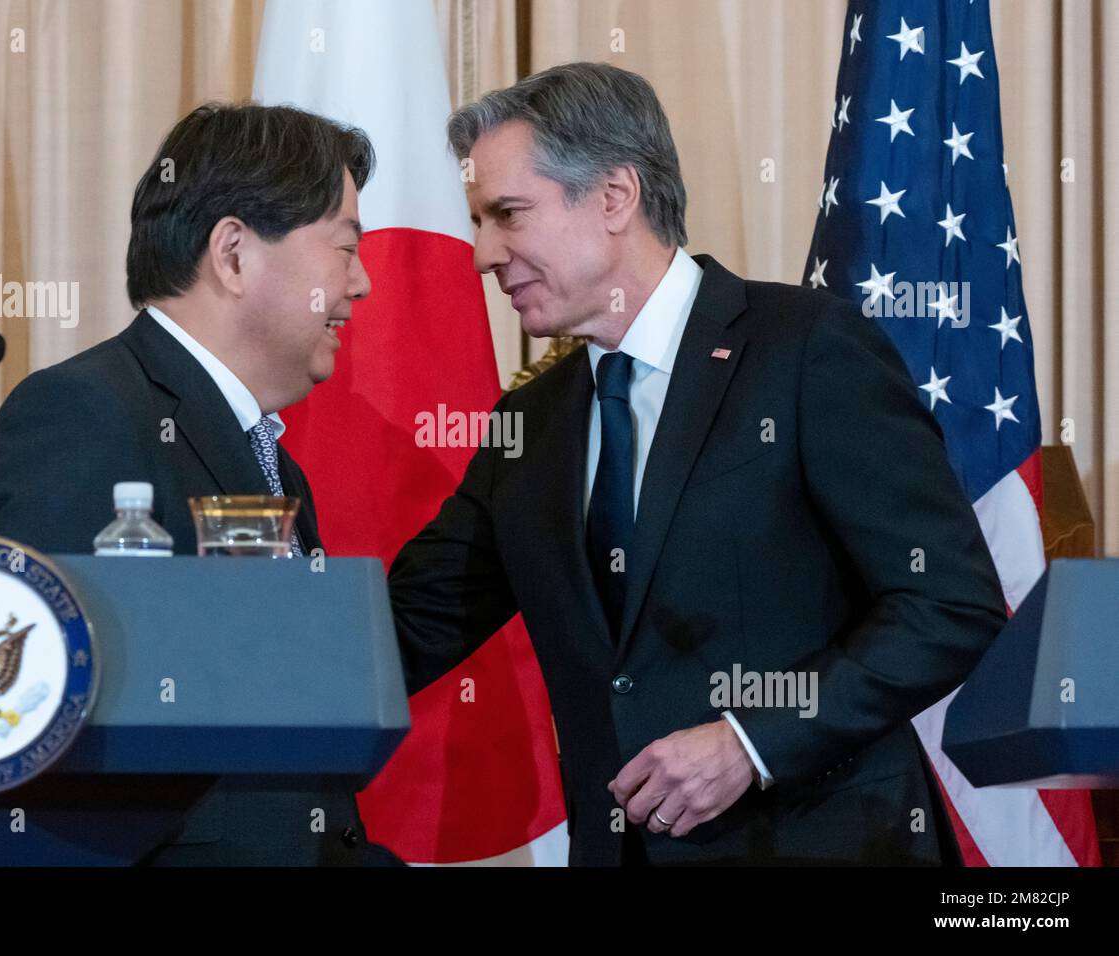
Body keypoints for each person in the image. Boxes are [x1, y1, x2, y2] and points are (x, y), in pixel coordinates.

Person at [387, 62, 1007, 866]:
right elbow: (408, 626)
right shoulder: (528, 427)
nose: (481, 254)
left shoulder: (806, 350)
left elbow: (948, 603)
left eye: (507, 215)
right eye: (477, 221)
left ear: (614, 196)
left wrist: (751, 742)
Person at [0, 101, 399, 866]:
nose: (361, 283)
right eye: (345, 248)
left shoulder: (267, 454)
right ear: (233, 253)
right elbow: (38, 736)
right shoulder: (85, 414)